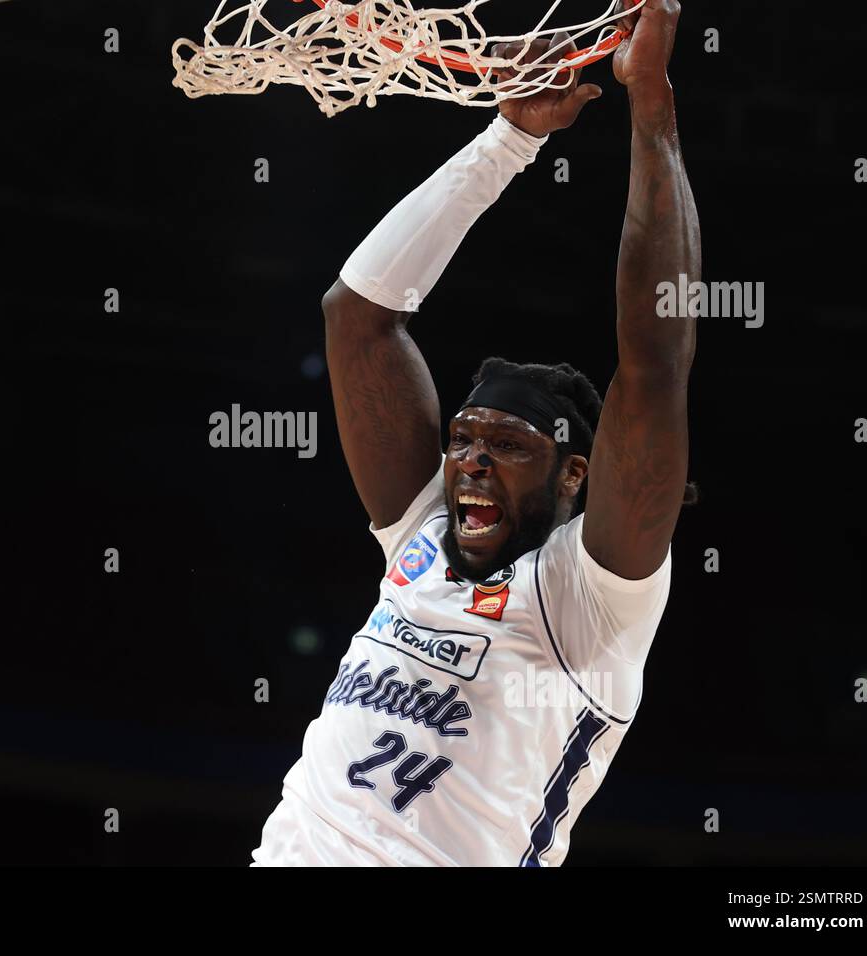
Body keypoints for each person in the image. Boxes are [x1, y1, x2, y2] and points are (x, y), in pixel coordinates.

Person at [252, 0, 700, 866]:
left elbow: (654, 368)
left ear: (574, 476)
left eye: (507, 447)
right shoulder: (422, 533)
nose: (469, 463)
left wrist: (651, 106)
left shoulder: (590, 601)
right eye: (462, 439)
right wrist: (509, 141)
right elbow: (358, 319)